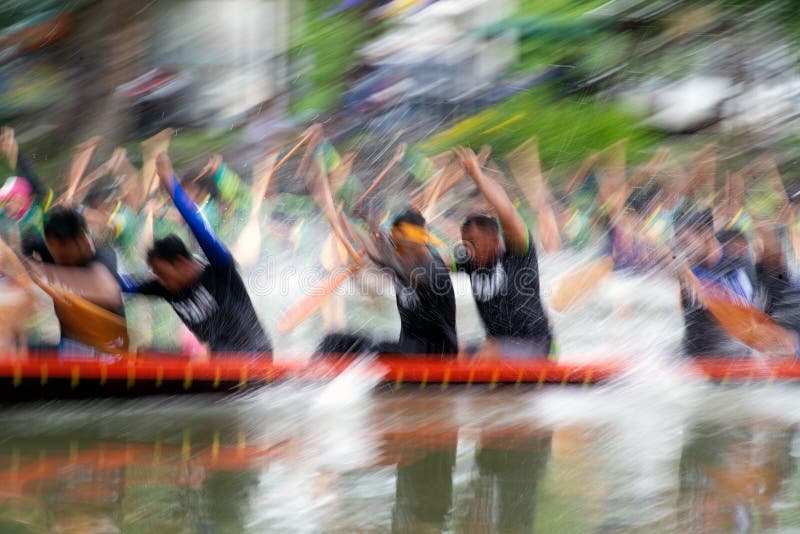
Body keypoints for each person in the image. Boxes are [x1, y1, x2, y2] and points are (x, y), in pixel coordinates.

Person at [120, 153, 272, 357]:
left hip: (255, 356)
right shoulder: (165, 287)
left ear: (181, 262)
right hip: (216, 362)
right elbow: (117, 284)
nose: (158, 279)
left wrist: (170, 183)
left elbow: (198, 227)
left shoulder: (220, 269)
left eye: (161, 273)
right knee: (145, 354)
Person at [454, 147, 553, 358]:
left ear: (494, 238)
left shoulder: (518, 252)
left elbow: (506, 211)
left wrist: (477, 175)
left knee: (488, 352)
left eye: (473, 243)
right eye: (465, 244)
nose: (468, 250)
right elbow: (425, 263)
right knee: (451, 349)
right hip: (496, 349)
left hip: (537, 347)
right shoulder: (469, 263)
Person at [24, 207, 127, 355]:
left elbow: (108, 292)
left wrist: (42, 273)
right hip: (70, 346)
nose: (58, 256)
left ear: (82, 239)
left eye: (65, 251)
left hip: (108, 350)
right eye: (51, 247)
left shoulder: (103, 254)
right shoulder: (50, 248)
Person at [675, 209, 757, 357]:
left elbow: (740, 317)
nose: (683, 251)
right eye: (679, 244)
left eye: (685, 242)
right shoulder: (689, 272)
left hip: (734, 358)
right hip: (695, 358)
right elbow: (686, 315)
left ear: (705, 234)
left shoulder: (738, 266)